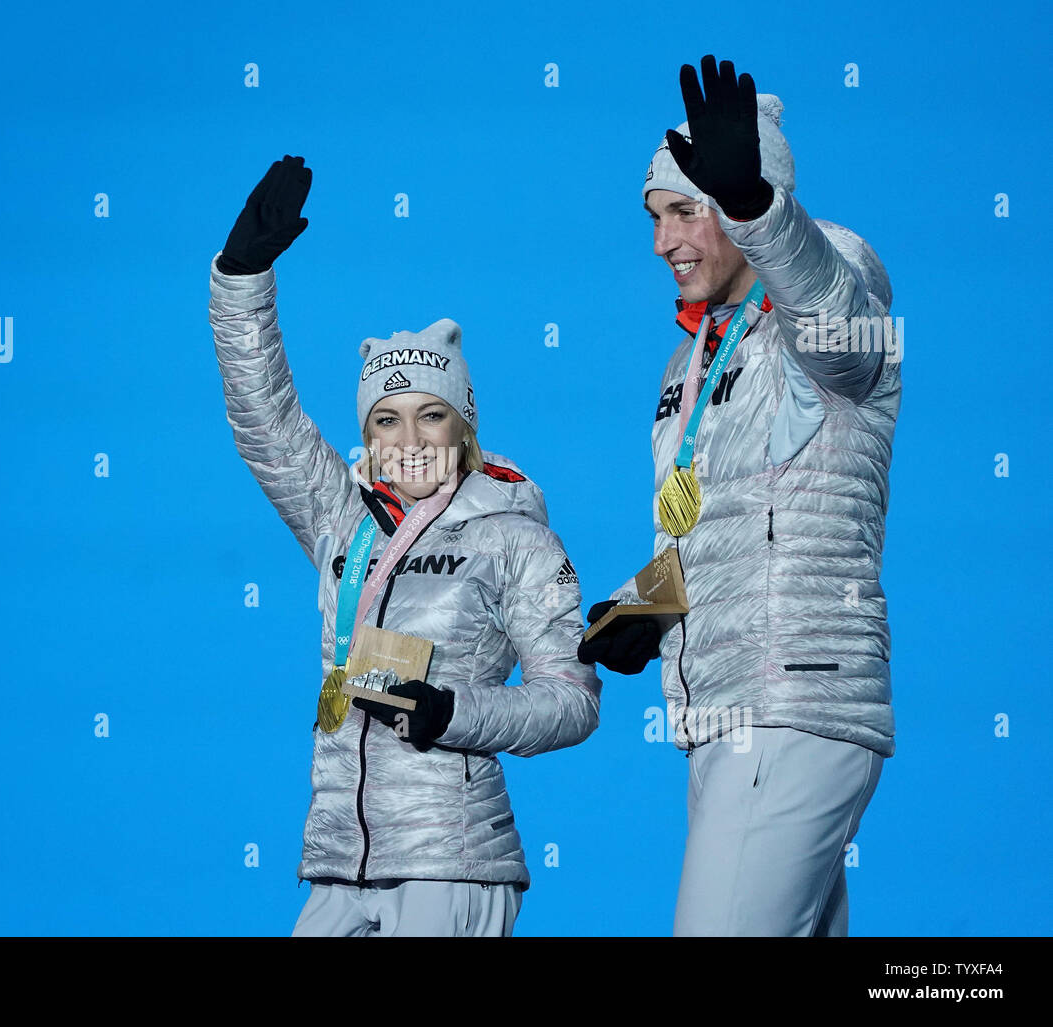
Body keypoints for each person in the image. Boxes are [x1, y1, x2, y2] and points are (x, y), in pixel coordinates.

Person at [208, 155, 602, 937]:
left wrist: (452, 710)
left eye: (432, 415)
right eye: (387, 419)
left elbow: (573, 700)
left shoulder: (514, 535)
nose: (410, 437)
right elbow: (264, 419)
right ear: (367, 434)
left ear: (464, 424)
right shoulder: (341, 515)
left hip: (450, 862)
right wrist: (241, 279)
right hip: (337, 861)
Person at [578, 56, 900, 936]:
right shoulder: (691, 362)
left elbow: (837, 330)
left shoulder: (842, 287)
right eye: (655, 215)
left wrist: (759, 207)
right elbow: (726, 536)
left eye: (687, 209)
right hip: (722, 710)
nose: (663, 241)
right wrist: (648, 606)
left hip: (792, 700)